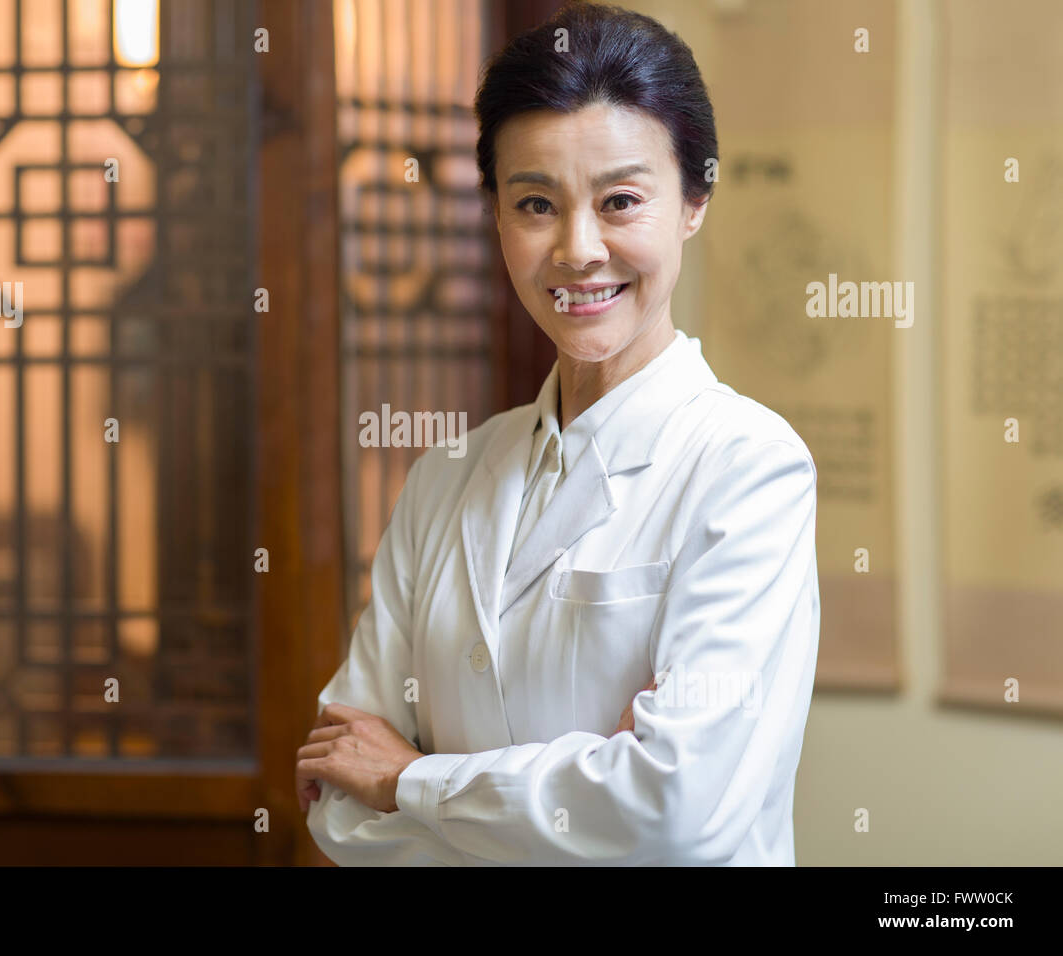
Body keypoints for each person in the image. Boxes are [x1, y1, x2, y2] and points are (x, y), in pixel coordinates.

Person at [296, 2, 820, 865]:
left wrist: (413, 781)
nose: (578, 251)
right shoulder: (445, 477)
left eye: (620, 200)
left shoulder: (748, 469)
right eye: (535, 203)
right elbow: (336, 802)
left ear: (693, 200)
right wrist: (587, 783)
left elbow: (675, 810)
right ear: (496, 216)